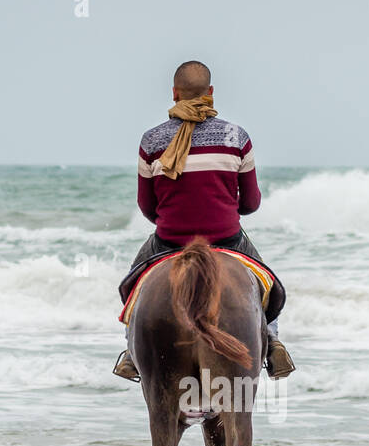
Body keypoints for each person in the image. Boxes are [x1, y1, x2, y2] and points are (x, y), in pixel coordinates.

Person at [113, 59, 294, 381]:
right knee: (269, 287)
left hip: (170, 240)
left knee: (131, 286)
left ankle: (130, 352)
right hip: (226, 239)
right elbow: (251, 203)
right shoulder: (236, 137)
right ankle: (274, 344)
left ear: (174, 93)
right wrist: (221, 208)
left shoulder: (151, 141)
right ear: (210, 93)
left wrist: (173, 219)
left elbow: (146, 206)